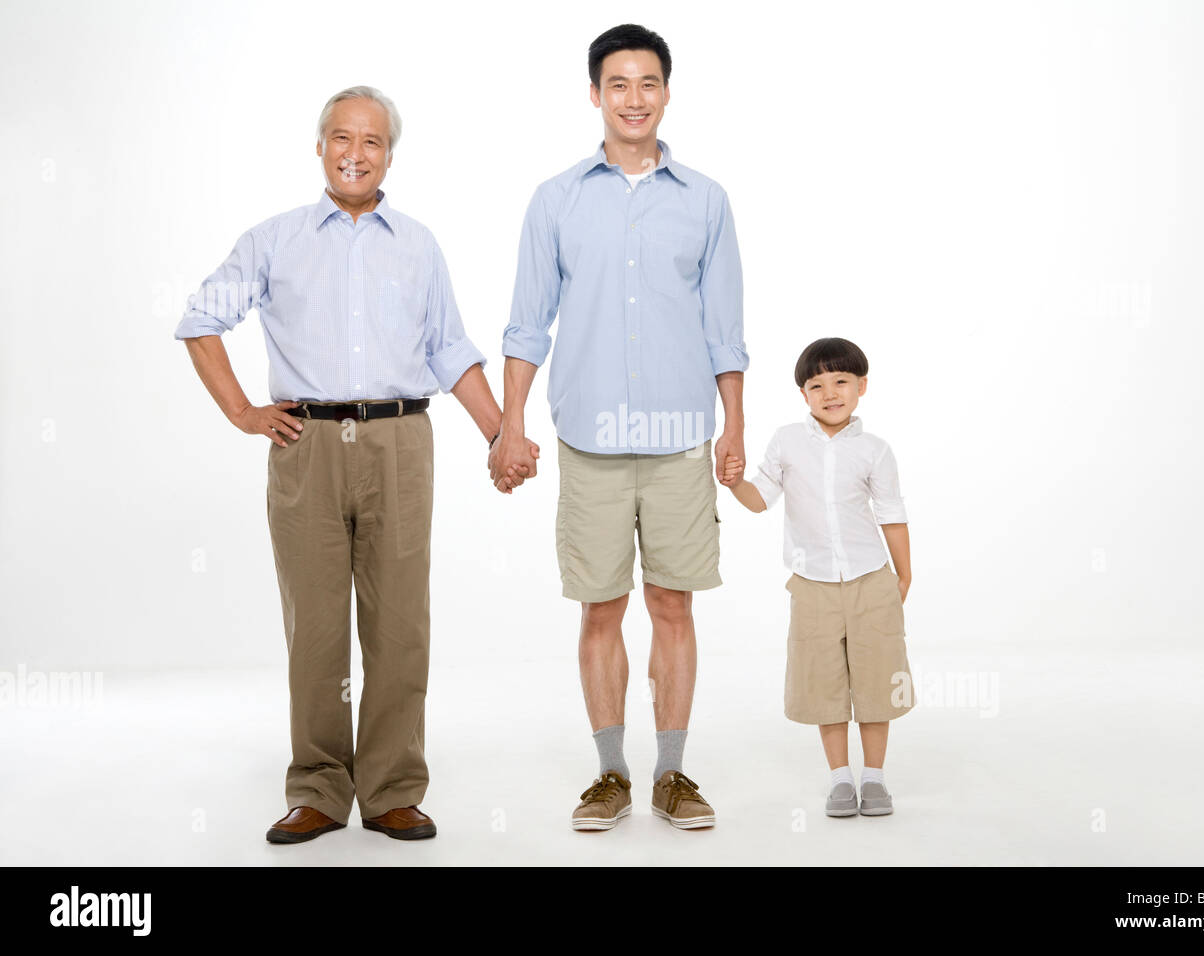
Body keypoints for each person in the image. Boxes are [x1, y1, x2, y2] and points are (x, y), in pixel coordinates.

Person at [175, 86, 539, 843]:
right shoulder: (274, 240)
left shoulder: (418, 243)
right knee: (315, 629)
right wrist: (243, 412)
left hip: (400, 443)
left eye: (371, 141)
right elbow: (200, 320)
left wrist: (502, 436)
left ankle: (393, 787)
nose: (355, 152)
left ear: (388, 156)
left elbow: (448, 349)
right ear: (320, 147)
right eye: (342, 137)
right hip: (303, 446)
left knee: (400, 624)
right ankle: (317, 787)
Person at [489, 24, 749, 830]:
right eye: (618, 84)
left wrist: (734, 425)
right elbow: (528, 324)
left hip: (680, 442)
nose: (633, 98)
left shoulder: (706, 200)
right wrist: (509, 426)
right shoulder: (556, 199)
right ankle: (610, 773)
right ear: (596, 94)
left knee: (673, 606)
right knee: (600, 609)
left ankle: (672, 774)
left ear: (666, 92)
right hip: (589, 444)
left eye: (647, 83)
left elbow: (724, 329)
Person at [724, 337, 913, 816]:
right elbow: (760, 499)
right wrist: (734, 482)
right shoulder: (788, 441)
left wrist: (903, 574)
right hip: (812, 585)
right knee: (824, 685)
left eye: (841, 381)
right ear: (803, 394)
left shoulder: (875, 450)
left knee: (874, 684)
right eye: (817, 384)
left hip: (871, 580)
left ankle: (874, 778)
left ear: (861, 386)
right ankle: (839, 779)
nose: (830, 392)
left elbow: (891, 513)